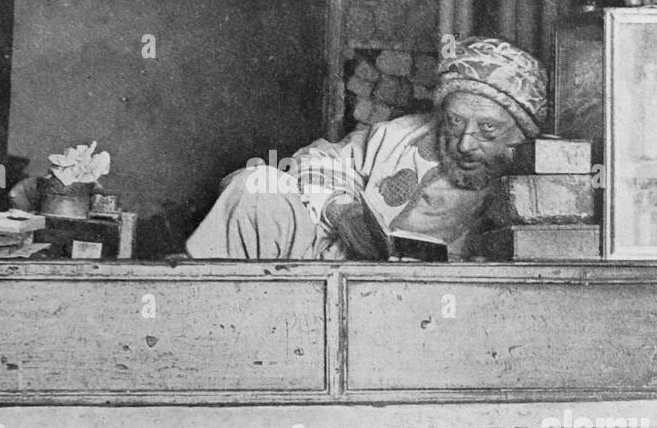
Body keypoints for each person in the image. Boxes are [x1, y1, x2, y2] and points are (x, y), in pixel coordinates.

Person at [185, 38, 548, 261]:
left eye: (487, 129)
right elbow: (318, 158)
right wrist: (341, 210)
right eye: (455, 122)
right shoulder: (403, 135)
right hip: (327, 266)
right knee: (255, 185)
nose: (466, 143)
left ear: (520, 131)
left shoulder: (532, 182)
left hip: (425, 308)